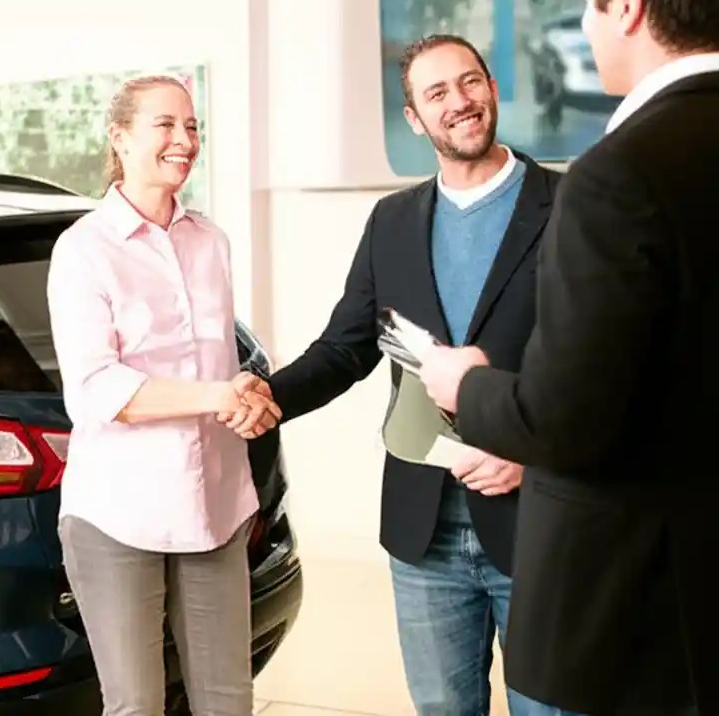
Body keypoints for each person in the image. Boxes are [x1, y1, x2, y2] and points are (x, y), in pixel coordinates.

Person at [243, 35, 574, 715]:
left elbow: (604, 363)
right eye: (437, 93)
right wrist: (265, 397)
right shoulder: (393, 221)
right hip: (424, 529)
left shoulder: (569, 206)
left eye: (470, 82)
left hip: (542, 521)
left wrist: (534, 453)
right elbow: (347, 348)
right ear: (416, 118)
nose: (460, 102)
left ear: (491, 87)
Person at [417, 0, 719, 713]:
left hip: (642, 608)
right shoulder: (395, 218)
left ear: (627, 9)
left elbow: (566, 418)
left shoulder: (615, 174)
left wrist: (467, 385)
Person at [45, 74, 280, 716]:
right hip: (118, 513)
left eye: (193, 126)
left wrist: (249, 398)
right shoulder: (83, 251)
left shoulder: (211, 242)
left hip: (215, 505)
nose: (184, 140)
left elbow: (219, 363)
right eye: (166, 125)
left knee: (228, 701)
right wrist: (216, 395)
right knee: (137, 706)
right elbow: (97, 391)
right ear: (120, 138)